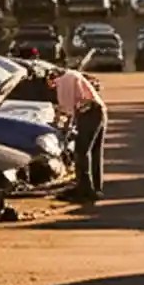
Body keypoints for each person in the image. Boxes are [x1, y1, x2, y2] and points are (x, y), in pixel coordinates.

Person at [51, 67, 106, 201]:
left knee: (81, 152)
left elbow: (67, 110)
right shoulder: (72, 75)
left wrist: (61, 128)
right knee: (95, 152)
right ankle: (96, 188)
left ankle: (85, 189)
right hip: (99, 111)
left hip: (89, 113)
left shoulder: (62, 81)